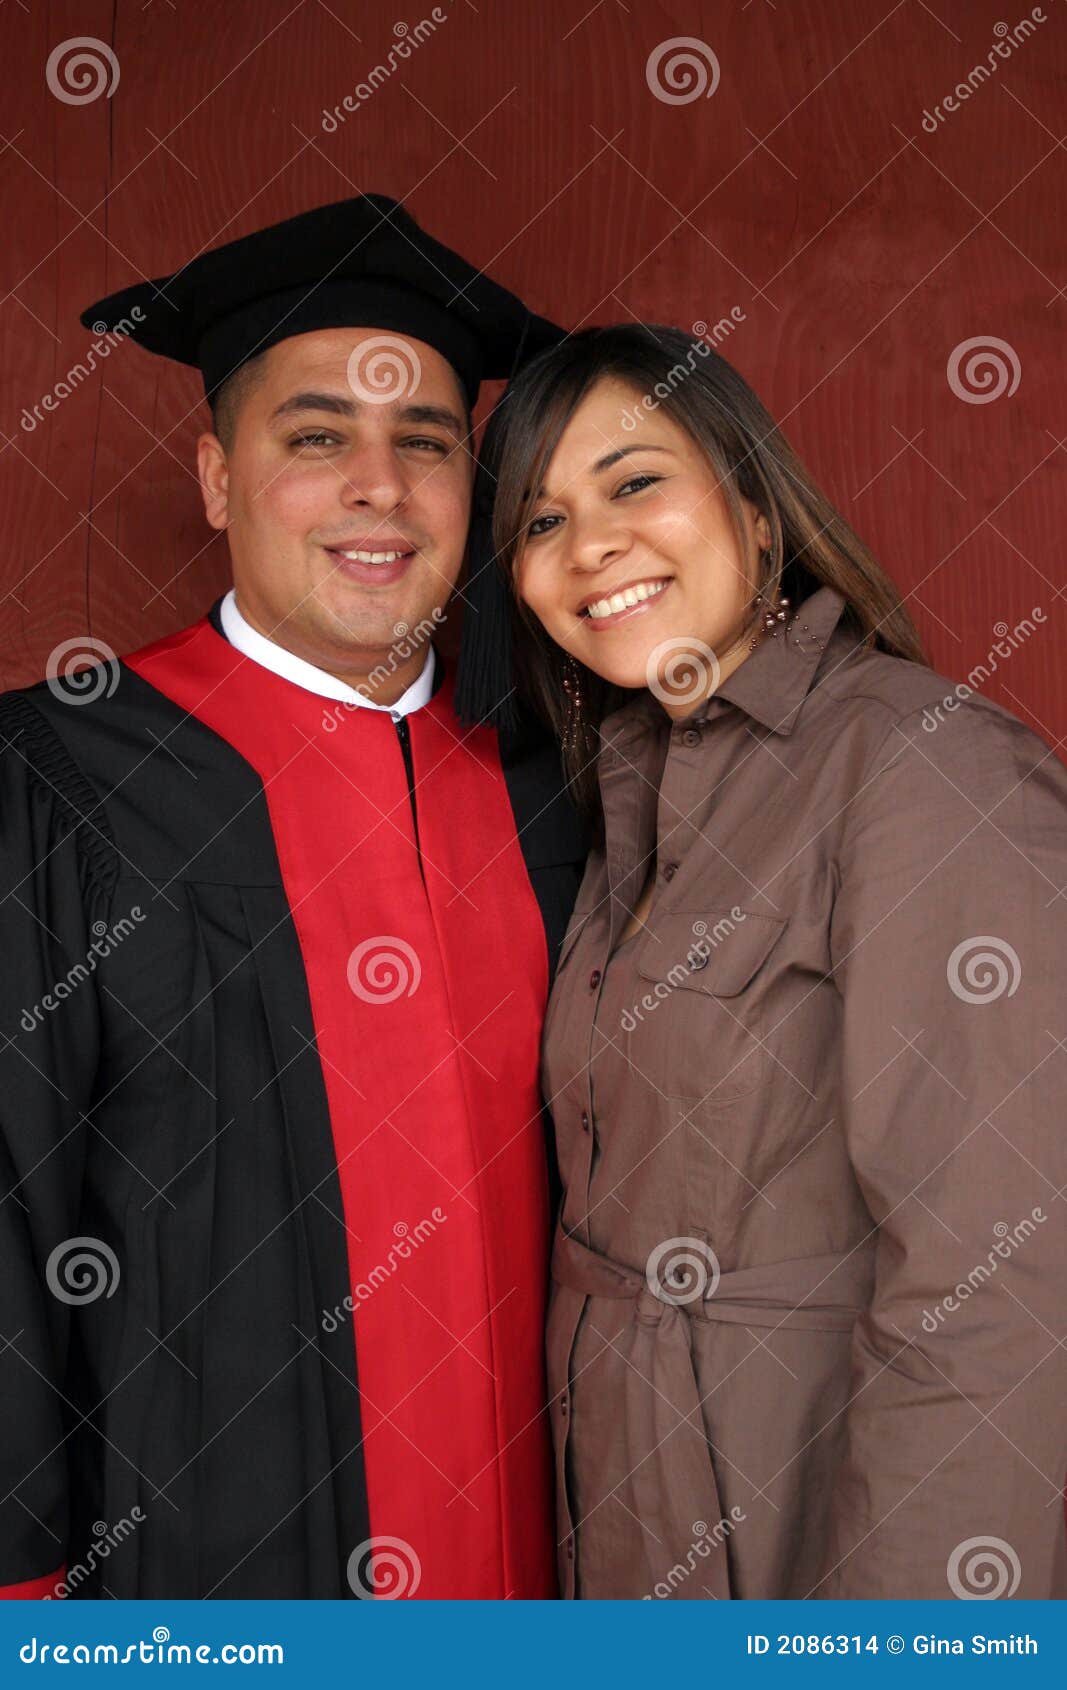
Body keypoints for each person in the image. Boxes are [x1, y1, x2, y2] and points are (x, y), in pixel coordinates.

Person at [0, 194, 588, 1600]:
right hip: (198, 1570)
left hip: (552, 1561)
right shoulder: (58, 774)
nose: (376, 487)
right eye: (315, 438)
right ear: (215, 478)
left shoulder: (555, 782)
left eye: (423, 445)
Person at [454, 323, 1067, 1599]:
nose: (592, 547)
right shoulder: (620, 794)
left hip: (817, 1522)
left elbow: (1007, 1283)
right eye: (540, 521)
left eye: (633, 483)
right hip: (619, 1527)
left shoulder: (923, 774)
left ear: (748, 498)